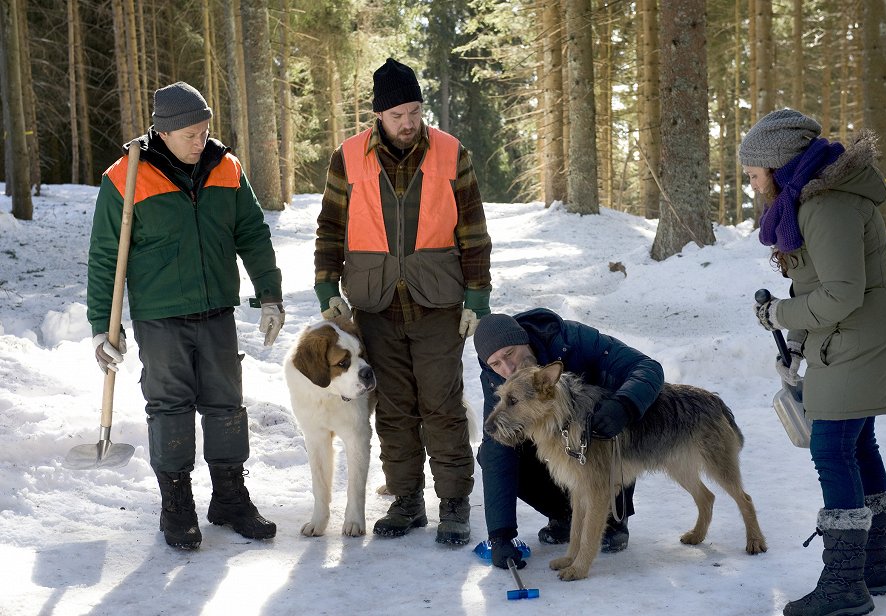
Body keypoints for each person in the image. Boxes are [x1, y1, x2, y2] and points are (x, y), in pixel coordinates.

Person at [87, 81, 285, 550]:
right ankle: (176, 504)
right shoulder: (125, 177)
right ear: (165, 132)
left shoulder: (226, 167)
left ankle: (230, 498)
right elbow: (104, 257)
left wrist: (270, 294)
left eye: (205, 131)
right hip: (161, 316)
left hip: (217, 309)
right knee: (170, 407)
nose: (202, 141)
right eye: (191, 134)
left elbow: (252, 234)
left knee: (226, 406)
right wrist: (102, 327)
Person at [741, 109, 886, 616]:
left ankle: (844, 584)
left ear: (778, 166)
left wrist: (776, 312)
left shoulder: (827, 206)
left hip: (859, 338)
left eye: (754, 175)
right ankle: (873, 567)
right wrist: (795, 341)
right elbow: (817, 286)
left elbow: (840, 293)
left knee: (833, 446)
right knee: (858, 443)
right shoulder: (809, 198)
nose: (752, 186)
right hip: (852, 336)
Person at [314, 58, 492, 545]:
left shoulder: (451, 153)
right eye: (398, 115)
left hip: (437, 302)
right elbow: (330, 227)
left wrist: (478, 294)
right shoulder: (347, 158)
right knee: (392, 406)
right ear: (379, 116)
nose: (409, 122)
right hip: (374, 303)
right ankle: (407, 499)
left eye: (415, 111)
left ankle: (454, 501)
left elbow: (473, 232)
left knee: (441, 404)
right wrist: (327, 287)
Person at [473, 309, 664, 569]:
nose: (508, 368)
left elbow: (647, 368)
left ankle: (614, 519)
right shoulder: (499, 379)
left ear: (524, 338)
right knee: (493, 451)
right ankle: (564, 516)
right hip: (557, 444)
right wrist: (500, 535)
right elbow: (497, 453)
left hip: (606, 437)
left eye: (510, 354)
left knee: (603, 451)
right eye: (496, 363)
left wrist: (625, 405)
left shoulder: (571, 339)